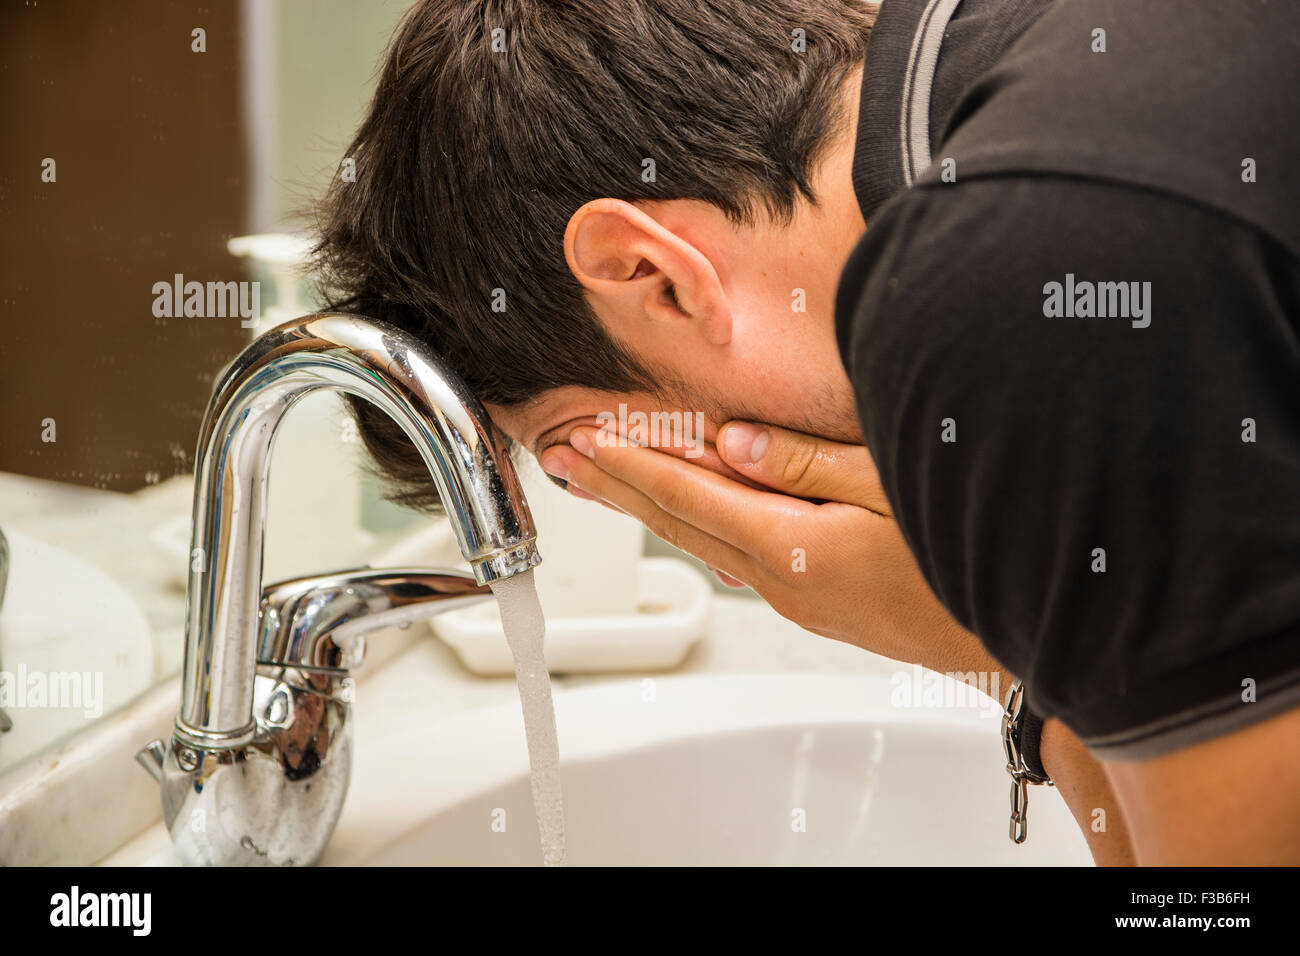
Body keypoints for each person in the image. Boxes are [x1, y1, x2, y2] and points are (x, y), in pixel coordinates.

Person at [311, 0, 1300, 865]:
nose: (724, 553)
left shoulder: (1003, 283)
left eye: (582, 456)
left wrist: (982, 639)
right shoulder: (1029, 71)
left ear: (645, 272)